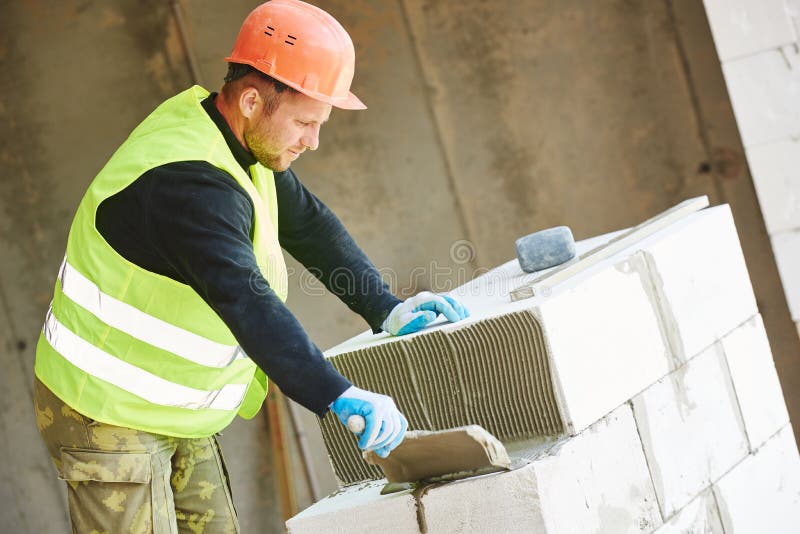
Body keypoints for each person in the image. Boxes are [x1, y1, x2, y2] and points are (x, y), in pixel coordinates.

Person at [32, 0, 469, 532]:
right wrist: (336, 394)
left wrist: (385, 309)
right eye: (305, 122)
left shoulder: (237, 142)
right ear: (253, 99)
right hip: (104, 410)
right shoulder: (187, 185)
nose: (312, 140)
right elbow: (247, 301)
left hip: (172, 409)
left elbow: (308, 224)